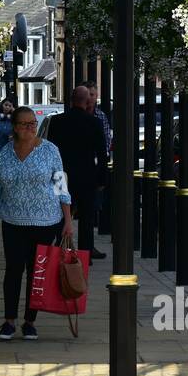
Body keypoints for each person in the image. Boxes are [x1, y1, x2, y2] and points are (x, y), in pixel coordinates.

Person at [0, 105, 74, 341]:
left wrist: (68, 220)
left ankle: (30, 322)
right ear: (14, 127)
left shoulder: (50, 150)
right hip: (13, 221)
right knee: (13, 270)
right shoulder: (5, 153)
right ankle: (9, 321)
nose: (30, 128)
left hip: (46, 222)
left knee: (37, 273)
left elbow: (60, 185)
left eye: (33, 123)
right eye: (25, 124)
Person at [45, 86, 109, 260]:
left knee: (61, 214)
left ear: (71, 100)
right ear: (87, 101)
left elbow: (50, 150)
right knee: (87, 218)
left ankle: (62, 250)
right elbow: (102, 154)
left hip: (61, 176)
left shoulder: (57, 121)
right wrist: (102, 179)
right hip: (87, 175)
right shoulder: (94, 123)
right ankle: (85, 255)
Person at [82, 80, 112, 257]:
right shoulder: (73, 116)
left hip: (93, 169)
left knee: (91, 211)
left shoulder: (100, 117)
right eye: (87, 95)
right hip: (75, 171)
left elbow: (106, 144)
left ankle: (88, 247)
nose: (90, 98)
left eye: (92, 95)